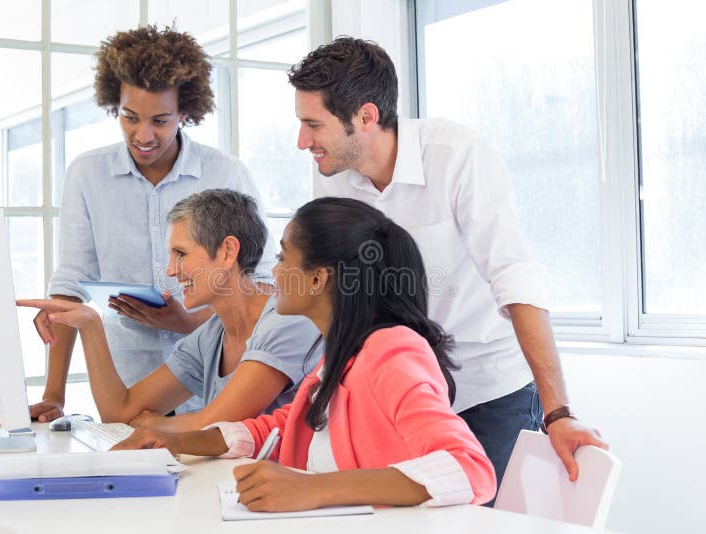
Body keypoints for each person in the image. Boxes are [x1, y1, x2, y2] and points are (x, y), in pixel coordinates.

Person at [286, 37, 607, 492]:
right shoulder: (336, 189)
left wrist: (558, 412)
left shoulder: (455, 155)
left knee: (476, 516)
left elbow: (514, 275)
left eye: (312, 124)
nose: (303, 141)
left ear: (366, 116)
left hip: (487, 389)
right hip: (402, 394)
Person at [115, 197, 497, 510]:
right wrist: (175, 441)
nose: (274, 272)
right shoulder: (342, 357)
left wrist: (313, 489)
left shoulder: (392, 350)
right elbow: (277, 428)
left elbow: (468, 467)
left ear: (318, 278)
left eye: (283, 259)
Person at [32, 26, 277, 423]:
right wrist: (53, 394)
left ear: (185, 112)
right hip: (132, 383)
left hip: (221, 377)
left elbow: (264, 284)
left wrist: (189, 322)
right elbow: (71, 284)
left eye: (160, 120)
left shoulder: (226, 173)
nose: (142, 135)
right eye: (130, 117)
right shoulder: (87, 174)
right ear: (116, 105)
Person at [19, 189, 321, 430]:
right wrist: (89, 324)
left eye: (181, 254)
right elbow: (121, 413)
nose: (171, 271)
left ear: (228, 251)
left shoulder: (288, 320)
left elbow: (214, 426)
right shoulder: (211, 336)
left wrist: (155, 423)